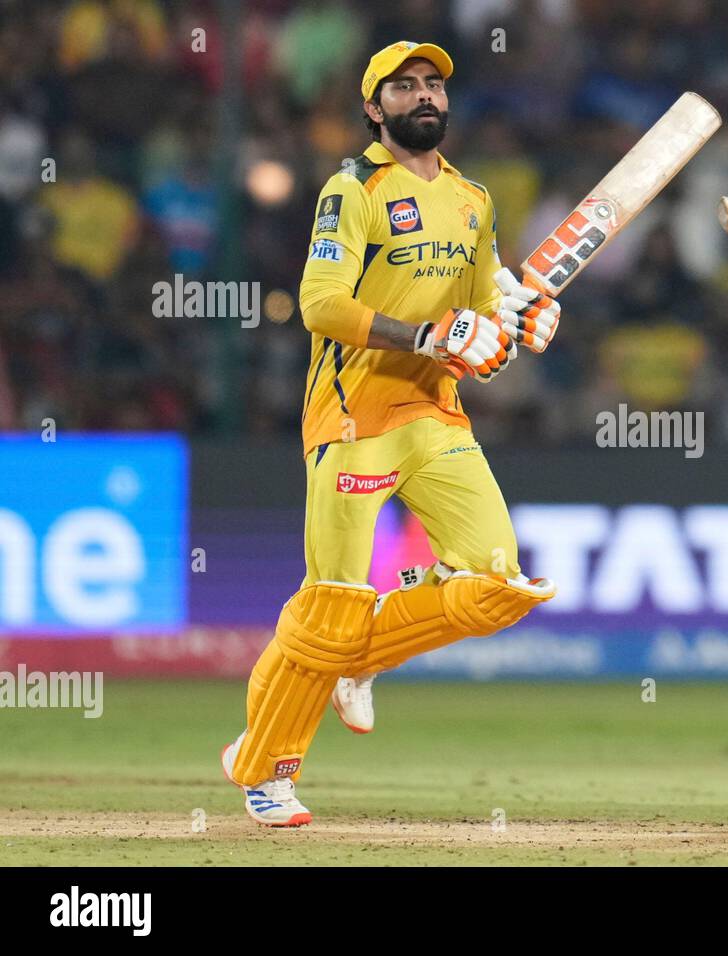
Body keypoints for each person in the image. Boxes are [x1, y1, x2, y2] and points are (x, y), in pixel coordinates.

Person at [221, 41, 562, 827]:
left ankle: (362, 657)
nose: (423, 96)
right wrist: (429, 339)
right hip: (352, 417)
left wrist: (522, 325)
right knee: (331, 606)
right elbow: (320, 305)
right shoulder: (354, 189)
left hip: (435, 417)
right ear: (375, 109)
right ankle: (265, 769)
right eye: (403, 88)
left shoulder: (474, 199)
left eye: (433, 85)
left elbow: (481, 328)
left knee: (500, 584)